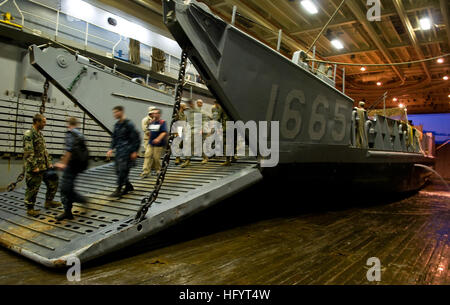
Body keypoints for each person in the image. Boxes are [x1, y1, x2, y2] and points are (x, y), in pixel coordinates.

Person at [23, 114, 60, 216]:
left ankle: (49, 201)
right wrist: (34, 166)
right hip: (35, 168)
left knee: (53, 181)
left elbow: (44, 150)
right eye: (43, 122)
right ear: (37, 122)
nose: (45, 124)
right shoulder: (29, 134)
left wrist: (49, 162)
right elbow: (29, 152)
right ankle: (30, 209)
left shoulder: (40, 134)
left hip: (44, 166)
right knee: (33, 188)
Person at [54, 117, 88, 220]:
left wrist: (63, 163)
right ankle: (68, 211)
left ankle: (79, 202)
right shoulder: (80, 134)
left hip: (71, 165)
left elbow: (69, 150)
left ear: (68, 124)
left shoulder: (70, 133)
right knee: (68, 187)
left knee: (65, 188)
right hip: (78, 165)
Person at [107, 106, 141, 198]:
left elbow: (136, 138)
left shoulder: (129, 124)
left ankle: (118, 189)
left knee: (122, 170)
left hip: (127, 152)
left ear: (121, 112)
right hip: (119, 151)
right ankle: (128, 186)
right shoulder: (117, 125)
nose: (114, 114)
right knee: (118, 171)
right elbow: (115, 138)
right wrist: (111, 149)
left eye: (116, 112)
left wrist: (135, 151)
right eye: (114, 112)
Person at [143, 108, 168, 177]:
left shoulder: (162, 122)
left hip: (158, 144)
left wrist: (158, 139)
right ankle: (146, 172)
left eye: (156, 113)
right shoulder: (152, 122)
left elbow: (164, 132)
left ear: (159, 114)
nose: (154, 114)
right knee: (147, 156)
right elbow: (149, 131)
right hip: (151, 143)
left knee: (156, 158)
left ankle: (158, 170)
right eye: (153, 113)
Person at [140, 106, 156, 176]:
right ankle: (146, 171)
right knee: (148, 155)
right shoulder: (145, 120)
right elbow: (146, 130)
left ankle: (153, 168)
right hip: (148, 140)